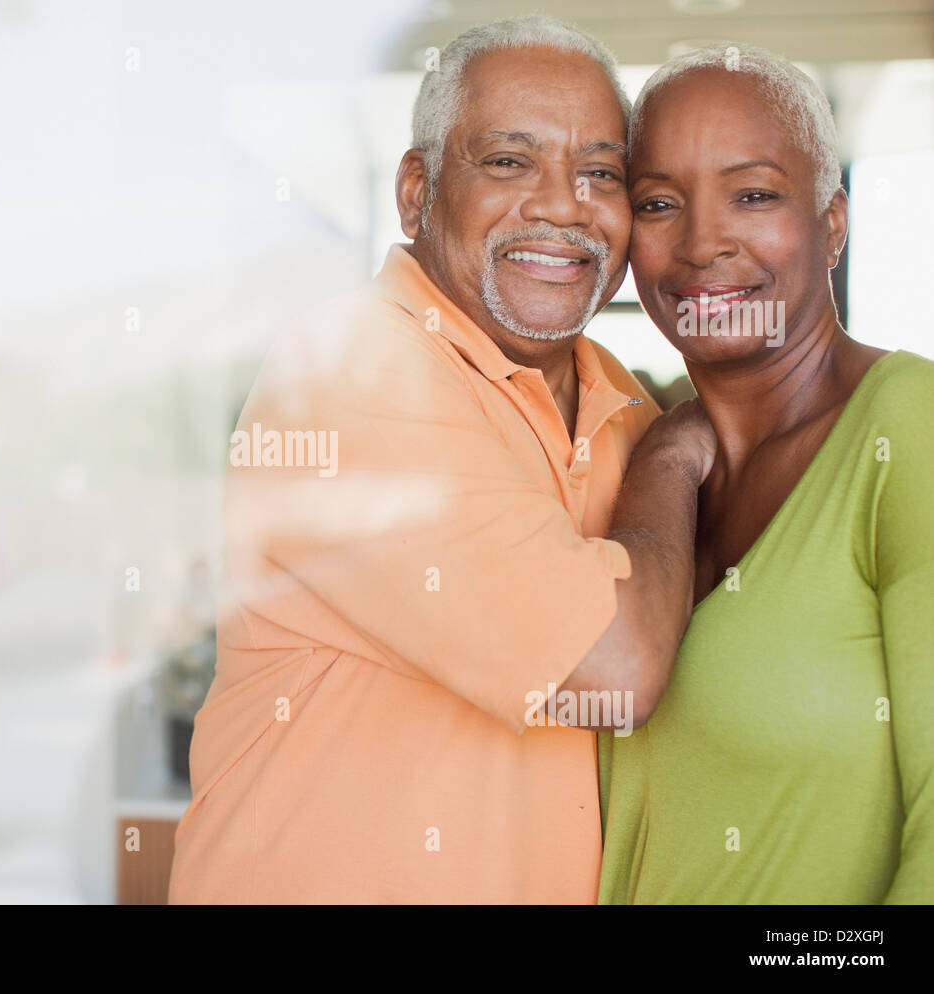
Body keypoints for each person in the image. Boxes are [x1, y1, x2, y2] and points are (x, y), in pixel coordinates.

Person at [168, 16, 716, 904]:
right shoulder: (349, 366)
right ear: (417, 191)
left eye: (601, 173)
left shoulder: (616, 396)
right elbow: (610, 671)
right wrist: (679, 445)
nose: (562, 205)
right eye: (509, 161)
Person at [598, 43, 934, 904]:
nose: (705, 241)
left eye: (754, 194)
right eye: (659, 202)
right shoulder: (640, 471)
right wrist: (668, 458)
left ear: (834, 223)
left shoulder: (907, 424)